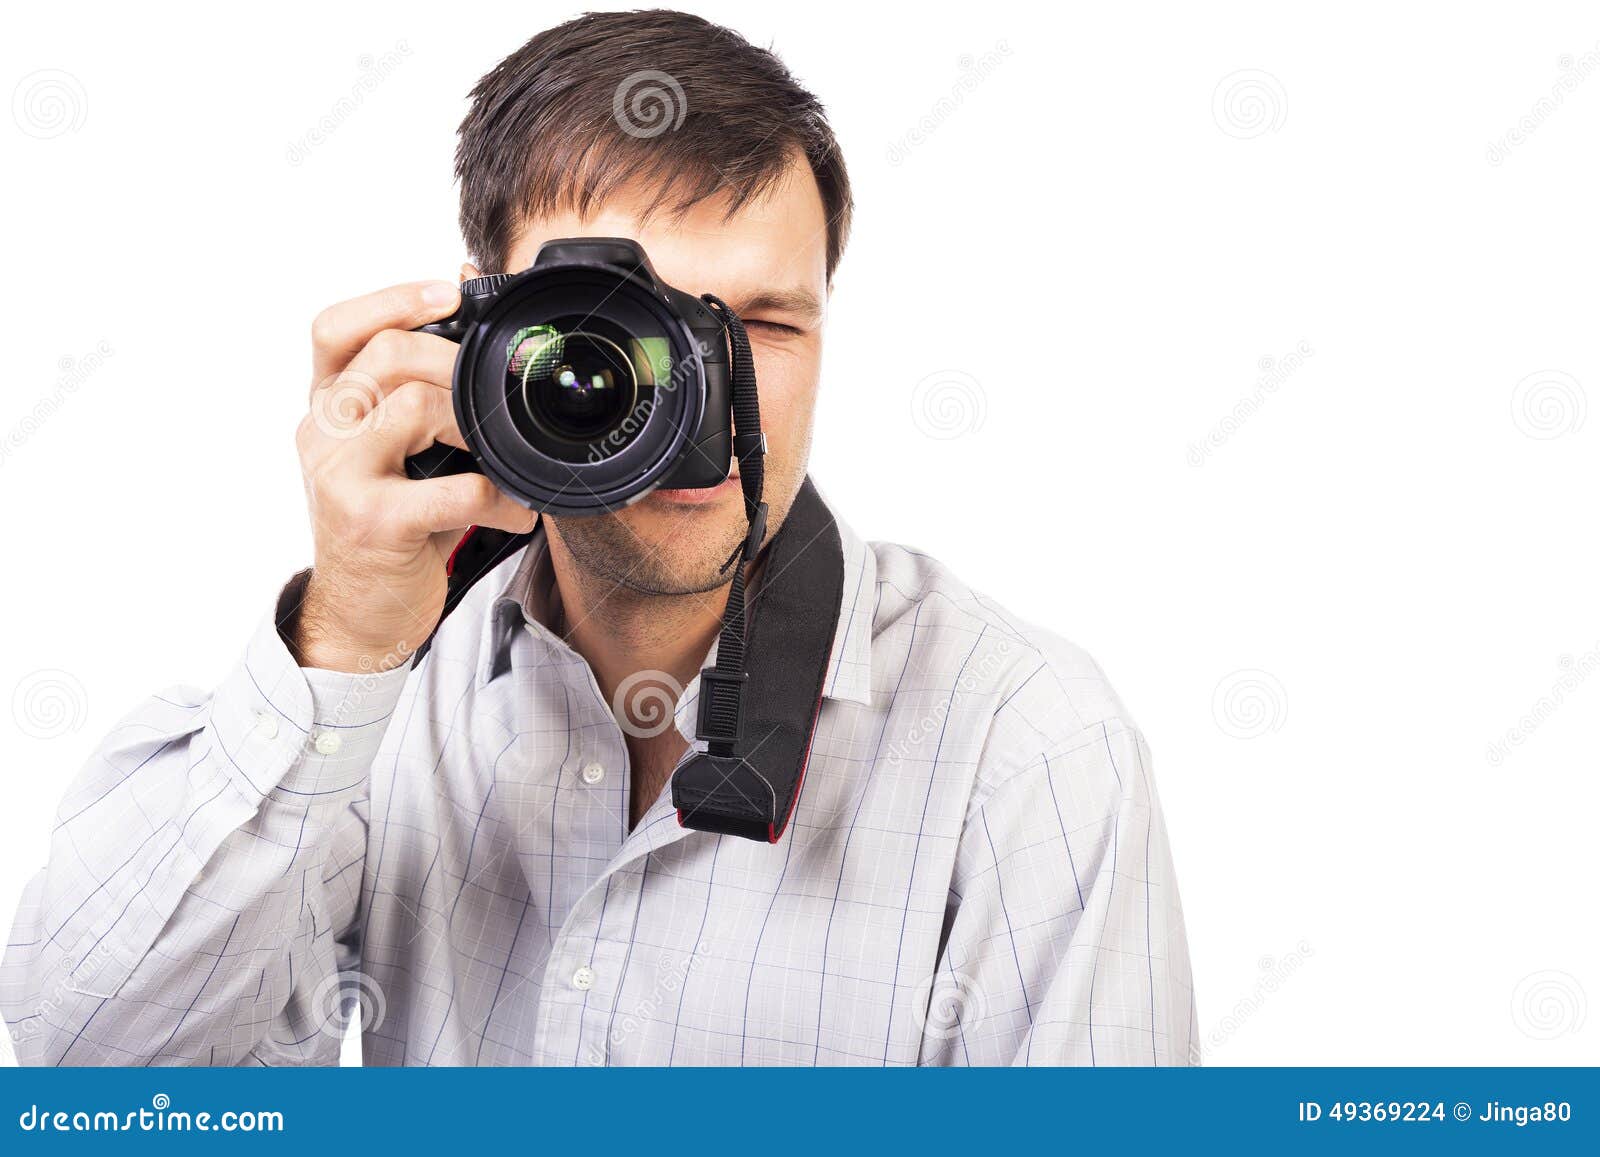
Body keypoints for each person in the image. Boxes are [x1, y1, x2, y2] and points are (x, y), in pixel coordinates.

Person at [1, 9, 1195, 1066]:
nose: (707, 398)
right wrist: (342, 646)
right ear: (482, 339)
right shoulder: (394, 686)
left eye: (765, 326)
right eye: (625, 332)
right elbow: (92, 1061)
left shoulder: (1025, 746)